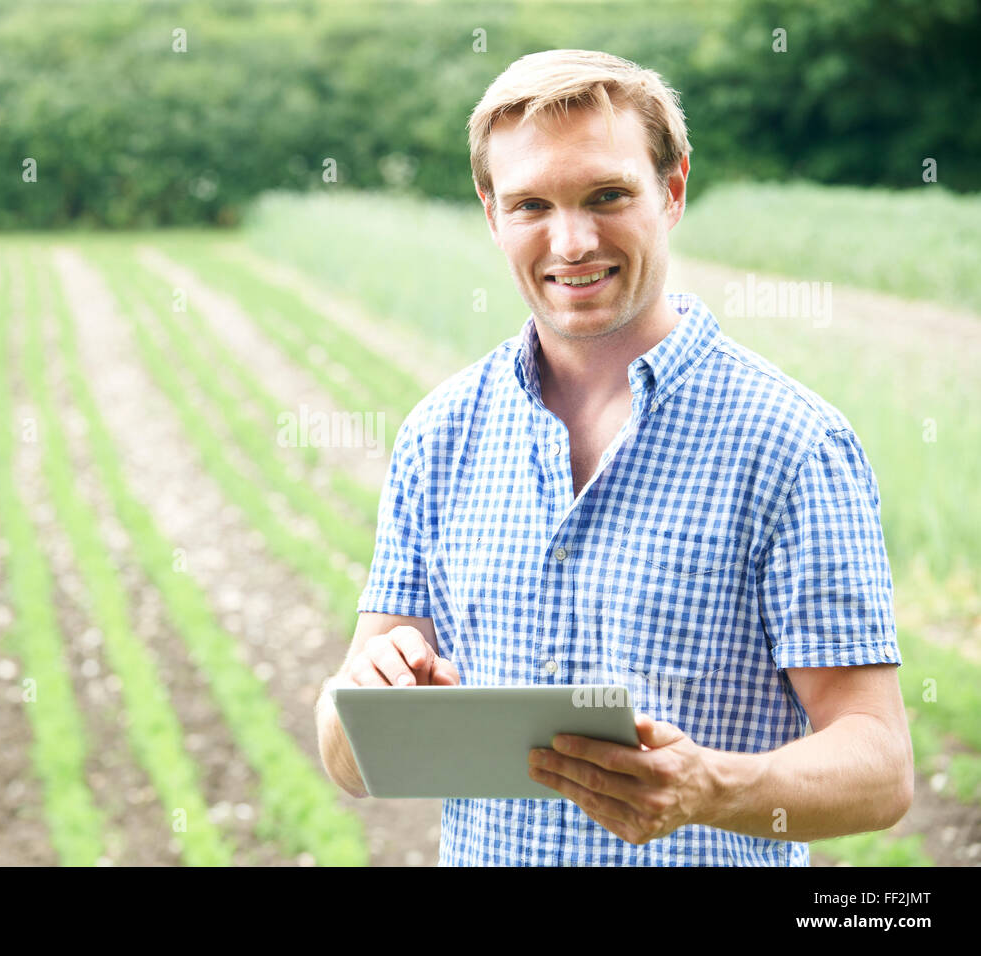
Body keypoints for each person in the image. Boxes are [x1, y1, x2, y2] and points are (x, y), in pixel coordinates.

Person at [314, 49, 913, 866]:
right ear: (491, 213)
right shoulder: (439, 434)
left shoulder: (792, 445)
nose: (572, 241)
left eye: (607, 195)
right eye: (531, 204)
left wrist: (712, 787)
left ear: (671, 189)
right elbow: (347, 759)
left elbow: (879, 766)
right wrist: (364, 698)